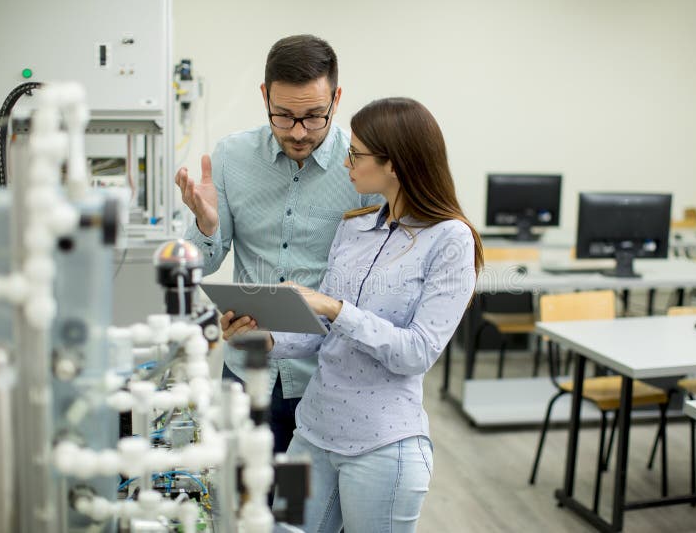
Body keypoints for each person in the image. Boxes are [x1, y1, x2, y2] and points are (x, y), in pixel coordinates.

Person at [225, 97, 484, 532]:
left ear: (396, 165)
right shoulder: (354, 226)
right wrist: (261, 337)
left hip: (383, 446)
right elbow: (320, 331)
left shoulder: (450, 240)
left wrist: (335, 308)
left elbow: (416, 353)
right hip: (310, 434)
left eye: (357, 154)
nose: (346, 161)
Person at [174, 34, 380, 453]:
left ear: (336, 99)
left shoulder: (362, 169)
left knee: (303, 508)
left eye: (314, 117)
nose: (299, 132)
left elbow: (373, 282)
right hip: (248, 370)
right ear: (265, 96)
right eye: (283, 116)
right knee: (247, 502)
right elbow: (205, 263)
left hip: (327, 378)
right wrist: (206, 225)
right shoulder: (232, 157)